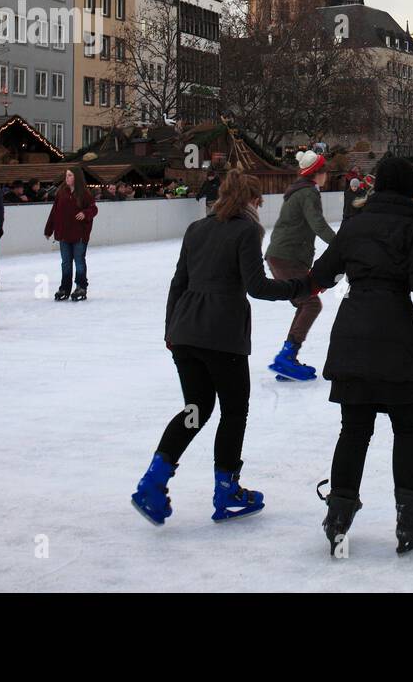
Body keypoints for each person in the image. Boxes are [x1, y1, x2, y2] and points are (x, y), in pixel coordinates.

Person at [310, 157, 413, 556]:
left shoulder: (353, 225)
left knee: (354, 430)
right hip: (396, 339)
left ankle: (338, 522)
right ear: (410, 189)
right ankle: (411, 523)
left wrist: (285, 287)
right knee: (408, 429)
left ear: (377, 186)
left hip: (352, 337)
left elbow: (320, 276)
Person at [131, 171, 310, 526]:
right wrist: (298, 287)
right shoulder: (247, 230)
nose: (259, 206)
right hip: (222, 334)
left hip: (185, 332)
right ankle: (227, 490)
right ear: (250, 199)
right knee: (232, 411)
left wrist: (171, 329)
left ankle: (153, 481)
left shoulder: (197, 228)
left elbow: (178, 281)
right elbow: (256, 286)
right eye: (258, 200)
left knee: (195, 409)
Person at [265, 150, 336, 381]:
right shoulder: (307, 193)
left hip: (285, 256)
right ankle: (287, 356)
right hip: (287, 257)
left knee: (306, 302)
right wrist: (341, 246)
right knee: (311, 303)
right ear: (318, 173)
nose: (328, 175)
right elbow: (317, 224)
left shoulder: (302, 190)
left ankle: (287, 358)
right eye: (326, 171)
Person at [44, 168, 98, 301]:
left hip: (79, 235)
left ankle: (81, 286)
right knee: (66, 263)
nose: (67, 178)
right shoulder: (61, 193)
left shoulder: (84, 194)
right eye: (66, 175)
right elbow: (54, 212)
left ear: (77, 177)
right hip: (64, 234)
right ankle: (65, 287)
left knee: (79, 261)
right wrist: (49, 229)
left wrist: (85, 213)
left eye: (70, 175)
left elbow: (93, 208)